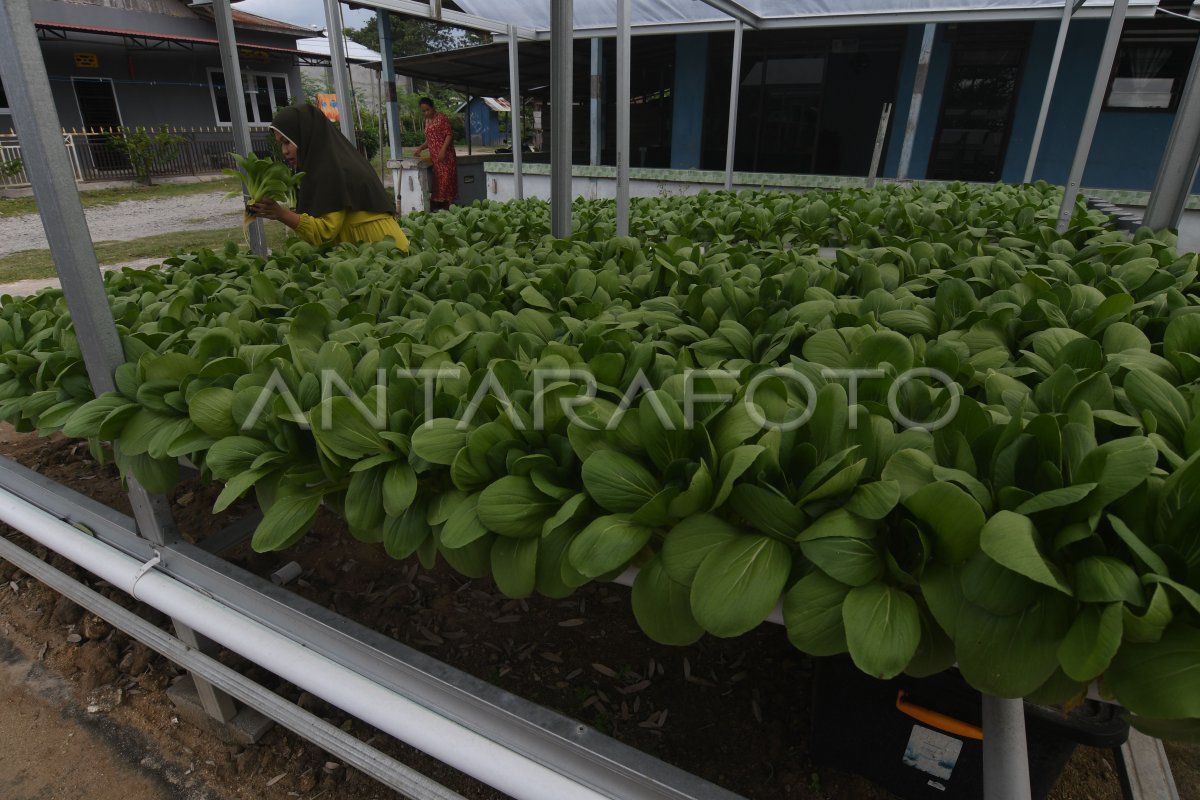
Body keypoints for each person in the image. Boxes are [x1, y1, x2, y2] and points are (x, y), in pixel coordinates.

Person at [249, 104, 408, 250]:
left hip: (380, 250)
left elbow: (323, 232)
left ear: (305, 136)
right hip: (379, 246)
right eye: (280, 144)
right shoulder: (333, 160)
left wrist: (281, 214)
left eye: (287, 142)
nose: (284, 151)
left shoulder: (331, 169)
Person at [412, 97, 458, 211]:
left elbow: (449, 134)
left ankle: (448, 209)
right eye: (423, 111)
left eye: (428, 110)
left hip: (446, 157)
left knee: (446, 183)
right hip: (436, 159)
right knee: (438, 184)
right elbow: (430, 140)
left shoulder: (441, 117)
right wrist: (420, 148)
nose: (426, 113)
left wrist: (442, 150)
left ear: (433, 108)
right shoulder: (427, 121)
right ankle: (439, 211)